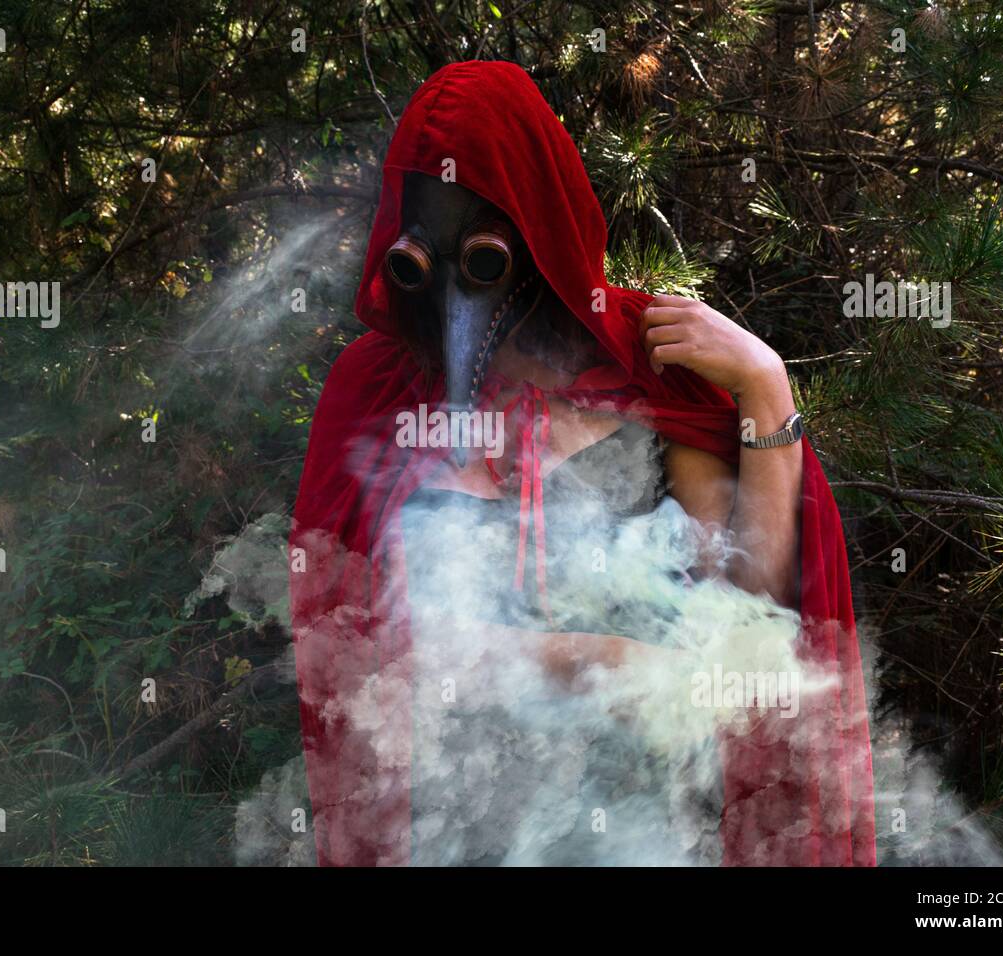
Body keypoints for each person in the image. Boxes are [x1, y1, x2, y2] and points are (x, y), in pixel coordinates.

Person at [290, 60, 875, 866]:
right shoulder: (378, 388)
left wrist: (765, 387)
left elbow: (750, 619)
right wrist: (603, 658)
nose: (462, 284)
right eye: (428, 247)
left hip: (652, 830)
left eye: (486, 247)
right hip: (451, 826)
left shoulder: (652, 363)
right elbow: (361, 645)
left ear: (541, 224)